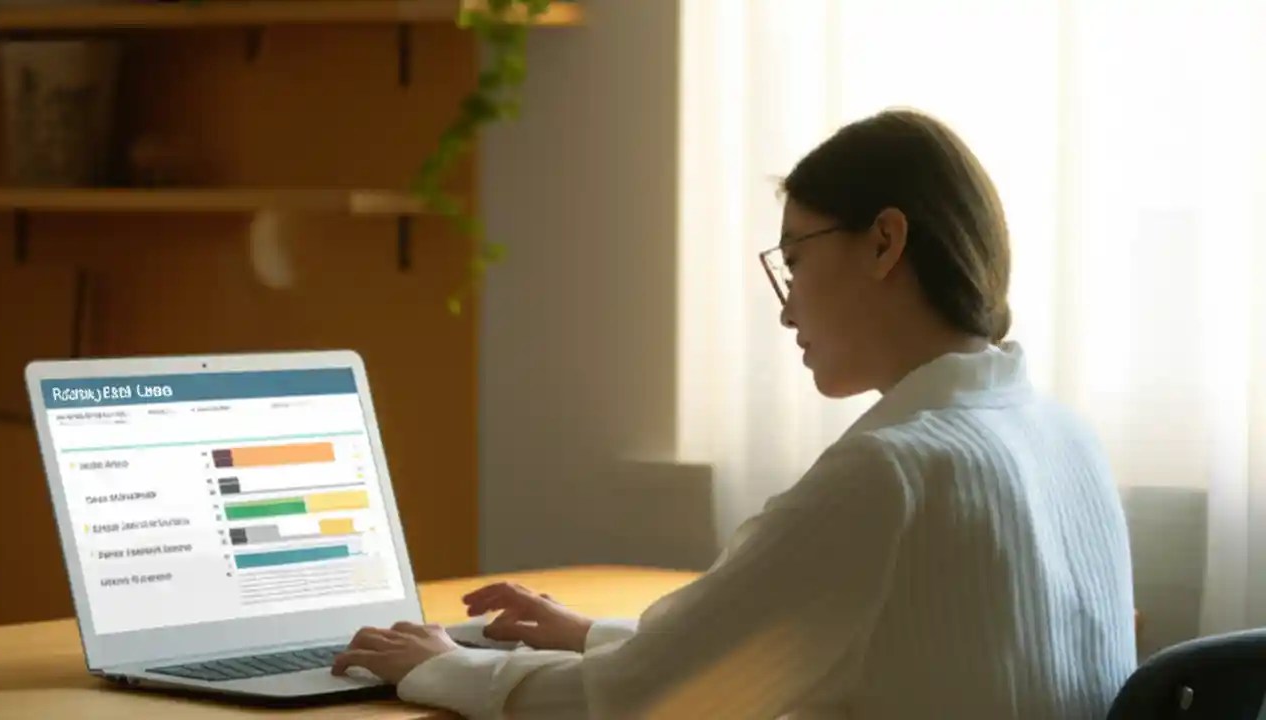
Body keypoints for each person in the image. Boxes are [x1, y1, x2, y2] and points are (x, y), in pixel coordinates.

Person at [331, 108, 1138, 719]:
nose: (787, 313)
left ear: (885, 242)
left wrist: (437, 663)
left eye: (794, 261)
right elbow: (783, 639)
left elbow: (643, 706)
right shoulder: (1063, 437)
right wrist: (592, 634)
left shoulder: (893, 470)